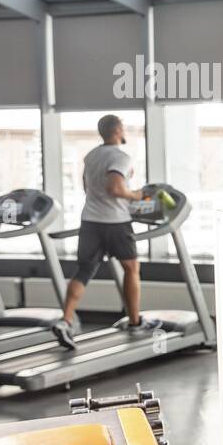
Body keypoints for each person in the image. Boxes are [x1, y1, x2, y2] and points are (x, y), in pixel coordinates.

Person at [50, 114, 156, 350]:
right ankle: (136, 321)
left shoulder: (91, 155)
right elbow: (115, 187)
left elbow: (86, 186)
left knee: (85, 270)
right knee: (131, 268)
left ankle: (65, 320)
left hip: (90, 220)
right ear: (118, 130)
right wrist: (136, 195)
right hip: (115, 222)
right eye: (123, 126)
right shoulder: (121, 156)